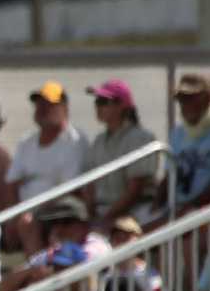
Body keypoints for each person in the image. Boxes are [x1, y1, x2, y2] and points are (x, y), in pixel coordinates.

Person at [8, 81, 86, 252]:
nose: (42, 109)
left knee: (27, 223)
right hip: (27, 212)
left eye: (49, 105)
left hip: (61, 211)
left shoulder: (75, 141)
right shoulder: (26, 141)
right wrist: (16, 215)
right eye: (39, 105)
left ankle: (39, 271)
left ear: (65, 108)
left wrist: (33, 213)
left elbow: (69, 189)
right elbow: (12, 183)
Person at [83, 80, 163, 224]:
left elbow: (136, 188)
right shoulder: (98, 140)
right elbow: (90, 186)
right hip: (103, 212)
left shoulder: (141, 137)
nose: (98, 106)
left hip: (136, 210)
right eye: (97, 101)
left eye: (103, 101)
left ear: (122, 105)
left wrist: (106, 220)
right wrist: (90, 217)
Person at [0, 195, 108, 291]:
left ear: (85, 226)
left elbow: (77, 271)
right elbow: (3, 286)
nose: (59, 229)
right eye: (54, 223)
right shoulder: (55, 250)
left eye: (66, 222)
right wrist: (32, 272)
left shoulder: (96, 244)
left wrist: (42, 273)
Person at [170, 72, 210, 217]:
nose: (185, 104)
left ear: (206, 99)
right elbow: (170, 173)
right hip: (179, 205)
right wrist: (157, 204)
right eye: (181, 99)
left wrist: (192, 206)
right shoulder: (177, 133)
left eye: (190, 98)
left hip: (203, 210)